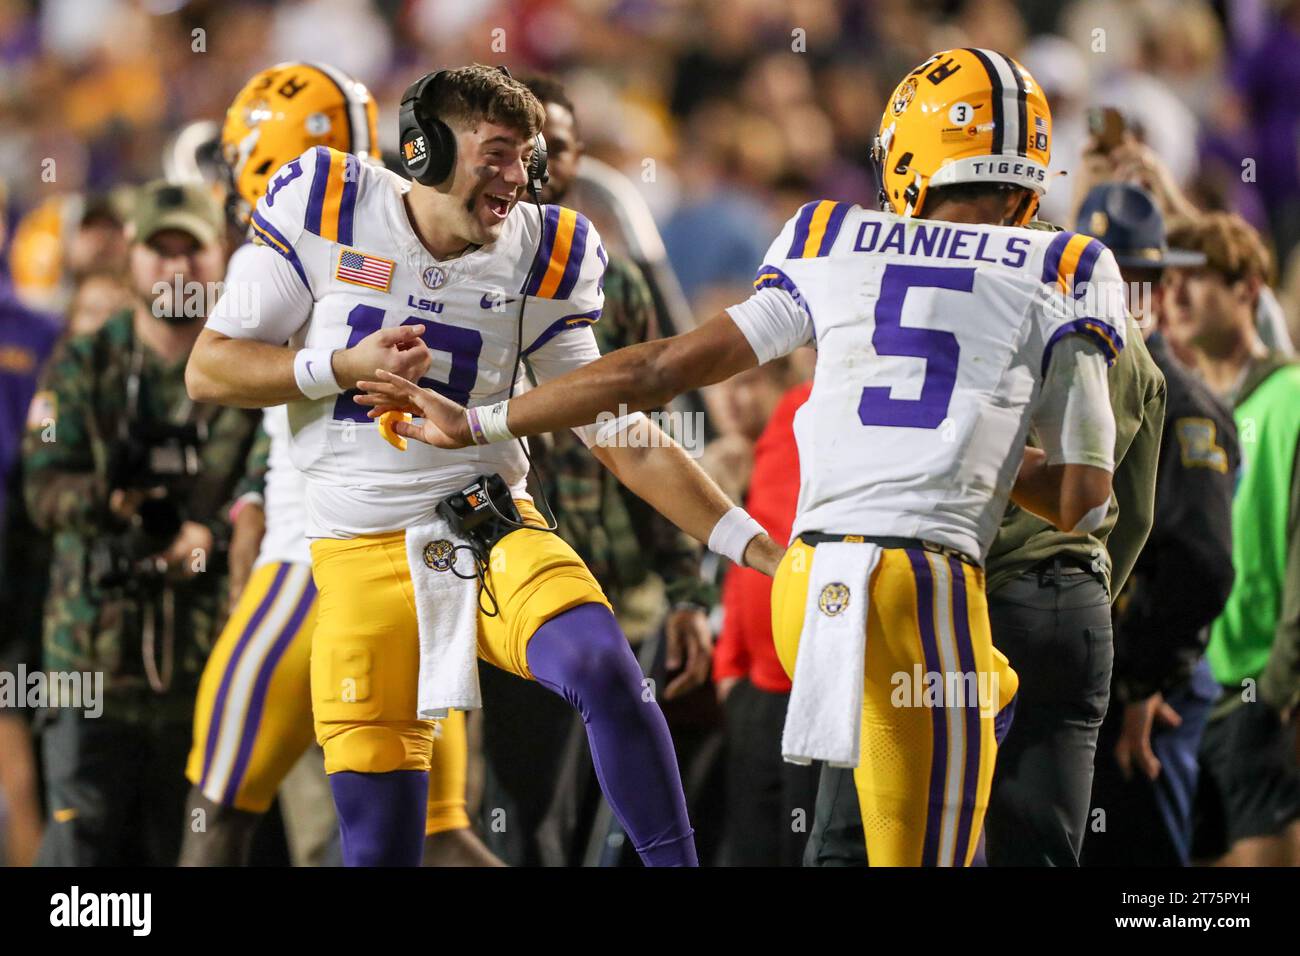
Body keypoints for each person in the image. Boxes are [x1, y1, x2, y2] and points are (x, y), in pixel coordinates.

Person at [355, 49, 1125, 866]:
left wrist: (482, 422)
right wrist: (977, 457)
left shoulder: (833, 236)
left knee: (965, 717)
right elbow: (1083, 497)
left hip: (804, 585)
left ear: (907, 153)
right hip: (919, 586)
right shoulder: (1069, 266)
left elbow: (654, 371)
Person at [186, 64, 782, 867]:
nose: (519, 177)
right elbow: (212, 367)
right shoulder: (326, 200)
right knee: (382, 844)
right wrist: (341, 367)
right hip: (355, 555)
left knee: (603, 669)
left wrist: (751, 543)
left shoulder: (546, 248)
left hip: (484, 522)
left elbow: (617, 428)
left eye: (527, 157)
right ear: (424, 149)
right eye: (496, 154)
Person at [179, 61, 499, 869]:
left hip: (307, 561)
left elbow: (215, 371)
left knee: (216, 815)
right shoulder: (441, 228)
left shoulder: (308, 214)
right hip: (417, 566)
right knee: (440, 835)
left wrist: (333, 374)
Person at [473, 73, 716, 866]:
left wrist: (688, 590)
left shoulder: (618, 280)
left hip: (623, 593)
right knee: (519, 810)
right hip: (504, 583)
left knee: (611, 826)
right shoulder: (451, 273)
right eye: (520, 150)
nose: (539, 167)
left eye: (556, 149)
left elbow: (662, 434)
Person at [25, 181, 257, 866]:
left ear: (224, 256)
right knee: (81, 850)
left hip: (207, 663)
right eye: (162, 251)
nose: (178, 270)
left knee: (190, 850)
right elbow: (42, 489)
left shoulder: (250, 365)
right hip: (90, 658)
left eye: (195, 250)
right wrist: (117, 503)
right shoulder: (86, 361)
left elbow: (275, 490)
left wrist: (206, 540)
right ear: (132, 255)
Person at [1075, 183, 1239, 867]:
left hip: (1149, 684)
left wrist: (1145, 679)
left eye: (1133, 278)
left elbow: (1201, 566)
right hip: (1099, 676)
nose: (1121, 294)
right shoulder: (1075, 384)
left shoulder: (1184, 405)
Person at [1167, 212, 1300, 866]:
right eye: (1169, 282)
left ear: (1248, 289)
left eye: (1197, 280)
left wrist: (1277, 688)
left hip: (1260, 699)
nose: (1177, 296)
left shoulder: (1291, 398)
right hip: (1190, 702)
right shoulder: (1185, 409)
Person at [713, 377, 818, 867]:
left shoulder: (820, 407)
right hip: (757, 685)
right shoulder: (777, 432)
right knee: (751, 845)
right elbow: (751, 551)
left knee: (805, 846)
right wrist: (729, 660)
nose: (733, 397)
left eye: (749, 385)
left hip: (812, 682)